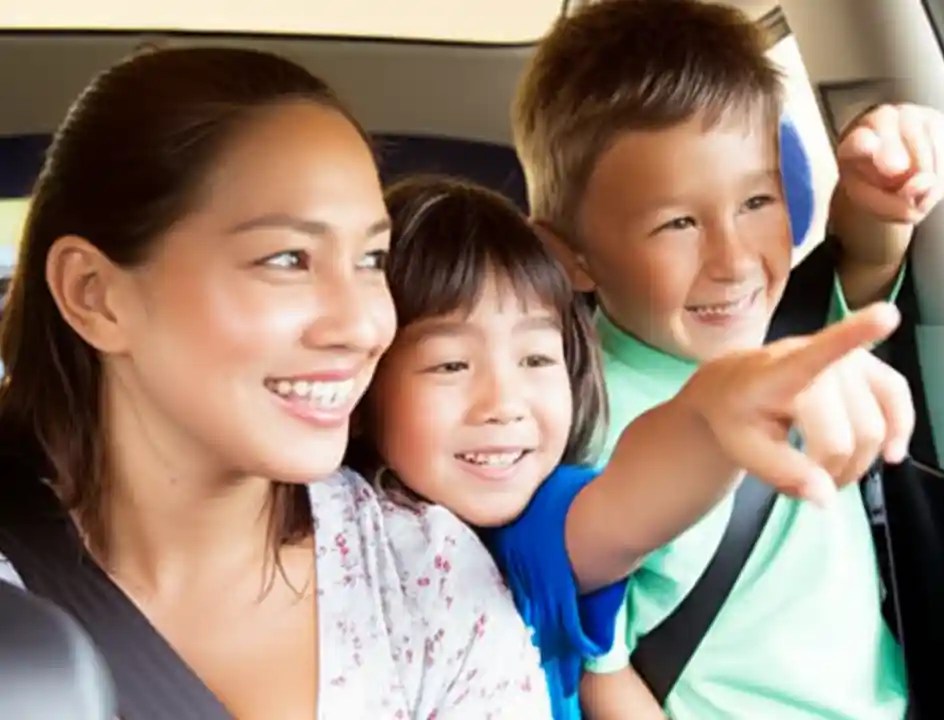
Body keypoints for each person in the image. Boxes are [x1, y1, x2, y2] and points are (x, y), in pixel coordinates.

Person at [0, 46, 549, 719]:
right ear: (96, 295)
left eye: (372, 258)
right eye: (288, 259)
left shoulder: (421, 579)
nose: (364, 324)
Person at [510, 1, 944, 717]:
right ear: (570, 256)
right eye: (678, 223)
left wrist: (888, 185)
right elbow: (600, 667)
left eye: (757, 201)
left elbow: (864, 260)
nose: (733, 260)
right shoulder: (581, 419)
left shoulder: (787, 338)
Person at [350, 175, 912, 720]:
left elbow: (623, 508)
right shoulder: (330, 528)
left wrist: (713, 413)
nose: (503, 402)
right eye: (450, 364)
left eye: (536, 359)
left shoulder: (538, 523)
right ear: (365, 380)